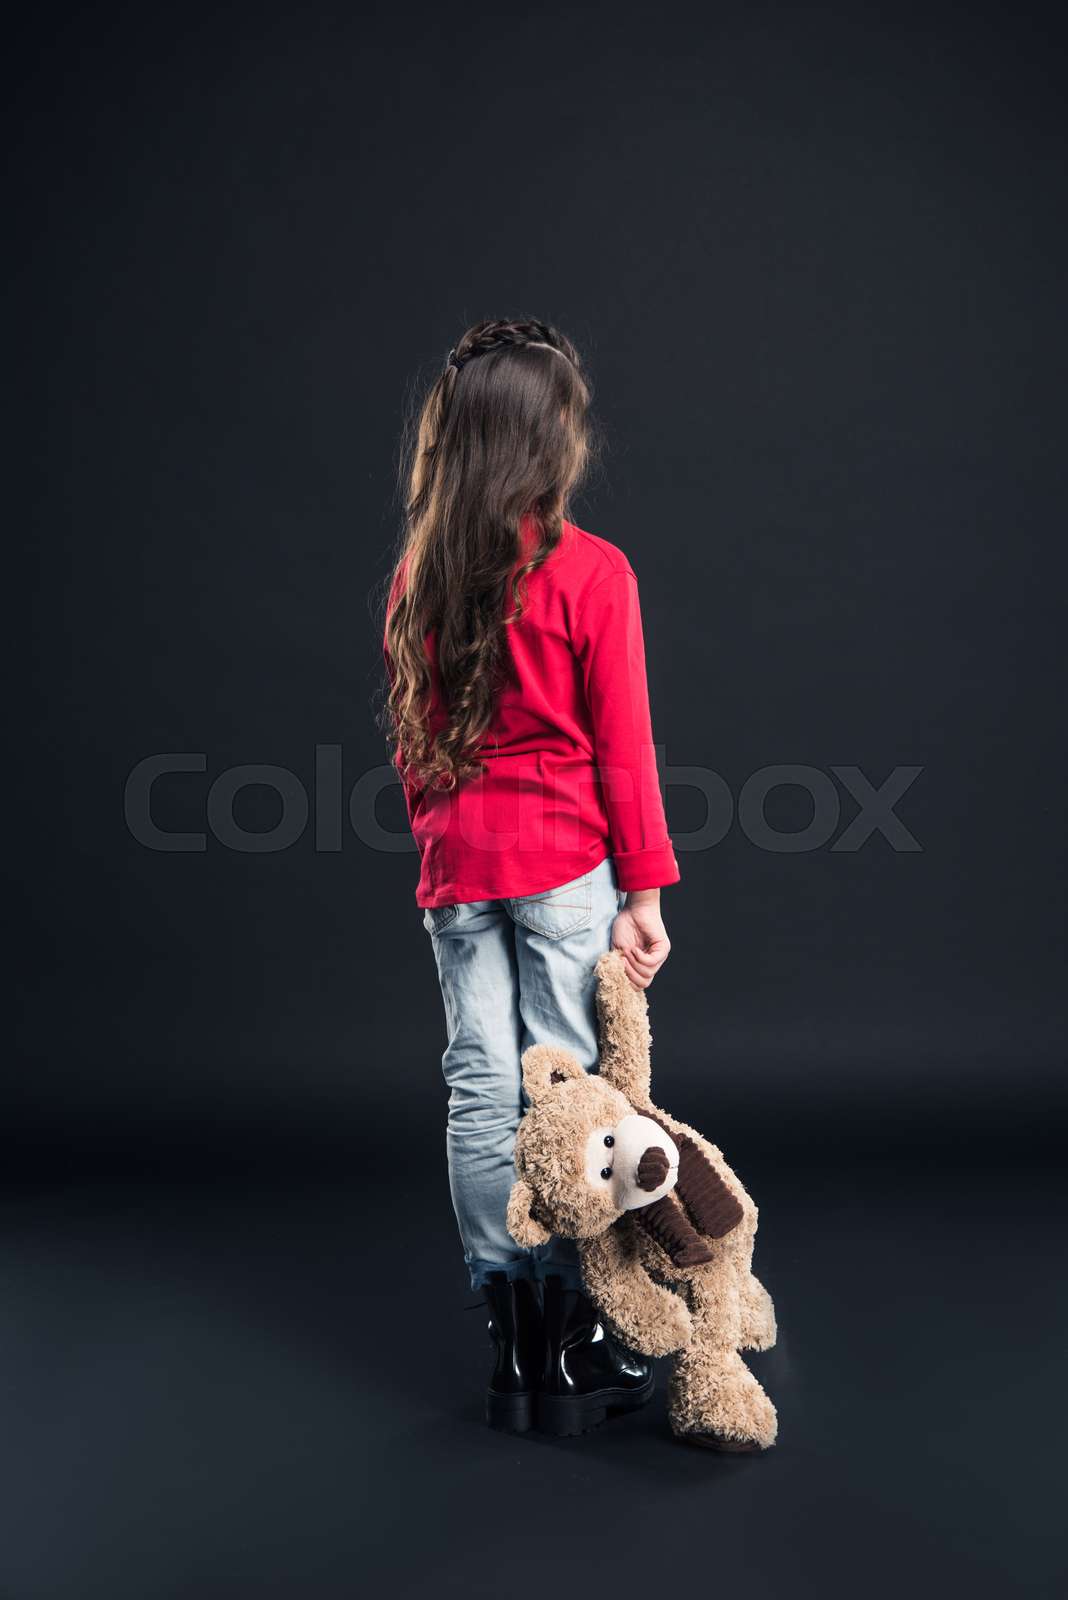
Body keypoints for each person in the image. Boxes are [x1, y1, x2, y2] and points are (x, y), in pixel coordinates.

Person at [382, 318, 679, 1435]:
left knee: (478, 1085)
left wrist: (441, 832)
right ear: (546, 437)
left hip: (461, 866)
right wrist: (643, 892)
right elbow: (627, 743)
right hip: (566, 865)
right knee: (566, 1093)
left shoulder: (425, 571)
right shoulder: (593, 571)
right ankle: (570, 1337)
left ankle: (510, 1351)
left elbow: (416, 739)